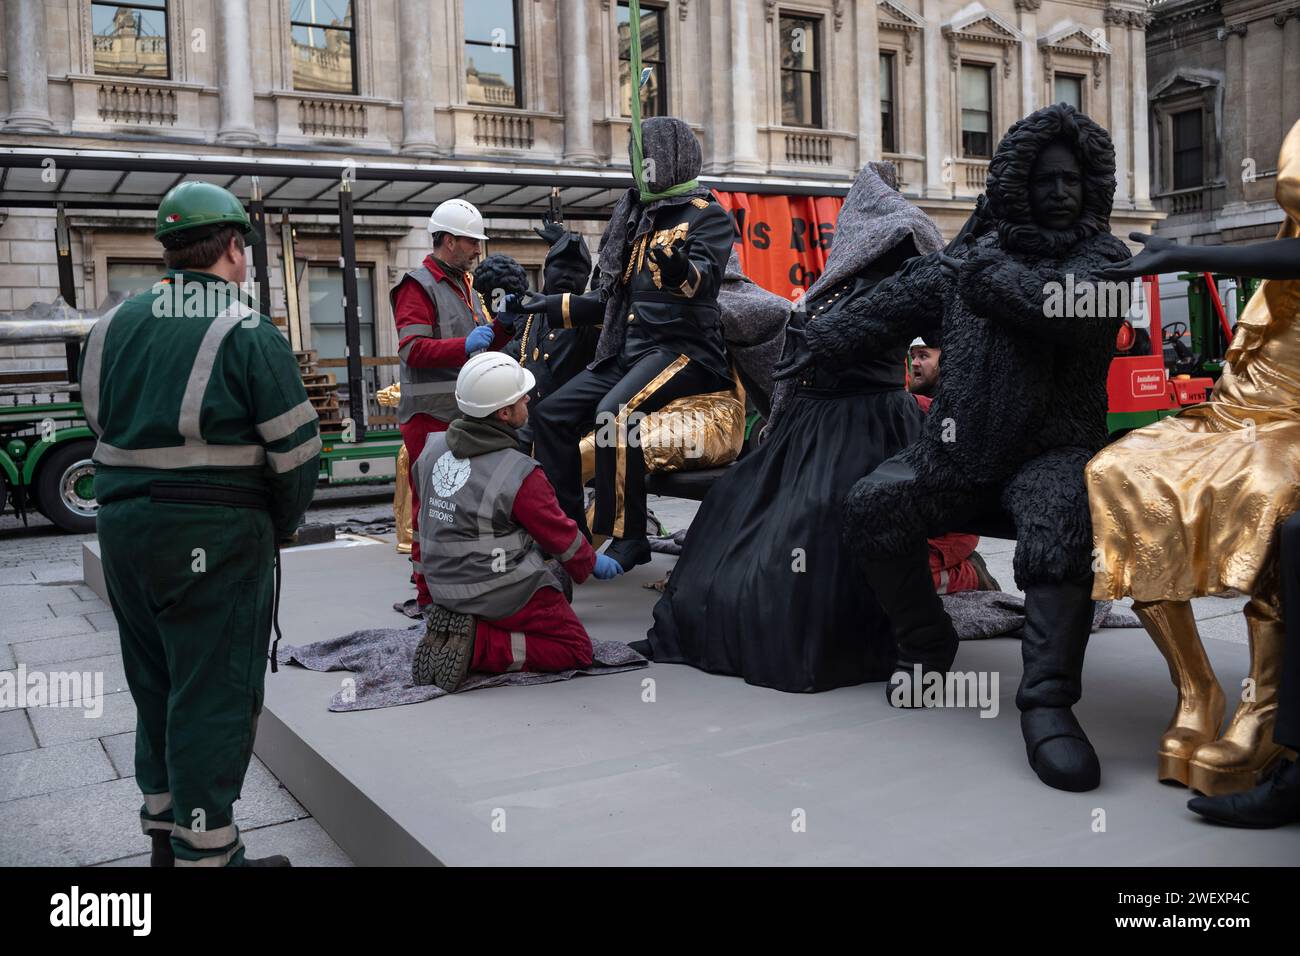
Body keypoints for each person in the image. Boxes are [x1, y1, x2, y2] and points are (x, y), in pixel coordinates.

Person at [776, 105, 1132, 792]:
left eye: (1072, 181)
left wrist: (982, 274)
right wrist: (815, 339)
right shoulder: (972, 261)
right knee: (878, 502)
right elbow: (891, 306)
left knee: (1059, 526)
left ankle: (1048, 705)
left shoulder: (1103, 259)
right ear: (1018, 186)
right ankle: (925, 643)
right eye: (1046, 181)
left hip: (1051, 453)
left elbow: (1064, 311)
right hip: (958, 452)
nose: (1061, 193)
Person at [83, 181, 321, 866]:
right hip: (213, 533)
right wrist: (276, 525)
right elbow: (299, 456)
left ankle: (165, 837)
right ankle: (210, 855)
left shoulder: (114, 323)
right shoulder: (245, 326)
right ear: (236, 250)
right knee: (214, 690)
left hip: (123, 526)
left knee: (155, 680)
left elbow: (100, 421)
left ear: (169, 249)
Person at [642, 163, 945, 692]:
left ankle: (873, 638)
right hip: (811, 426)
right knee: (732, 503)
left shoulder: (906, 281)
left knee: (808, 529)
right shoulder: (838, 285)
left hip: (864, 426)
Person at [1088, 117, 1300, 801]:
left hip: (1292, 422)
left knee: (1269, 501)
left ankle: (1264, 708)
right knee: (1120, 472)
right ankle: (1196, 689)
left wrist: (1186, 257)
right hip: (1236, 408)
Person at [520, 117, 735, 571]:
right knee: (550, 414)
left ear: (670, 158)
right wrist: (554, 303)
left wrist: (679, 271)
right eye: (636, 157)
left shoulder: (707, 214)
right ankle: (572, 535)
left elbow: (705, 282)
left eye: (644, 156)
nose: (638, 166)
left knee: (615, 414)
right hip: (631, 352)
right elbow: (612, 301)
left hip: (685, 352)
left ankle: (630, 535)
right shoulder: (636, 216)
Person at [411, 352, 624, 691]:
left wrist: (426, 594)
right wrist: (590, 561)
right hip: (495, 589)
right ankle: (478, 646)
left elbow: (422, 528)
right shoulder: (518, 472)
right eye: (521, 397)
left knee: (553, 580)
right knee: (574, 648)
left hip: (441, 586)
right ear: (504, 413)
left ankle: (458, 625)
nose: (528, 399)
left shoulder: (432, 450)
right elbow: (557, 534)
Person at [391, 199, 512, 614]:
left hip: (456, 416)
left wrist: (500, 328)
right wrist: (467, 343)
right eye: (471, 242)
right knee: (433, 507)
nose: (478, 250)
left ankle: (451, 580)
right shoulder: (417, 284)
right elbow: (412, 349)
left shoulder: (463, 284)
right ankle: (427, 593)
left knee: (455, 504)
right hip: (429, 418)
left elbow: (476, 348)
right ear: (447, 240)